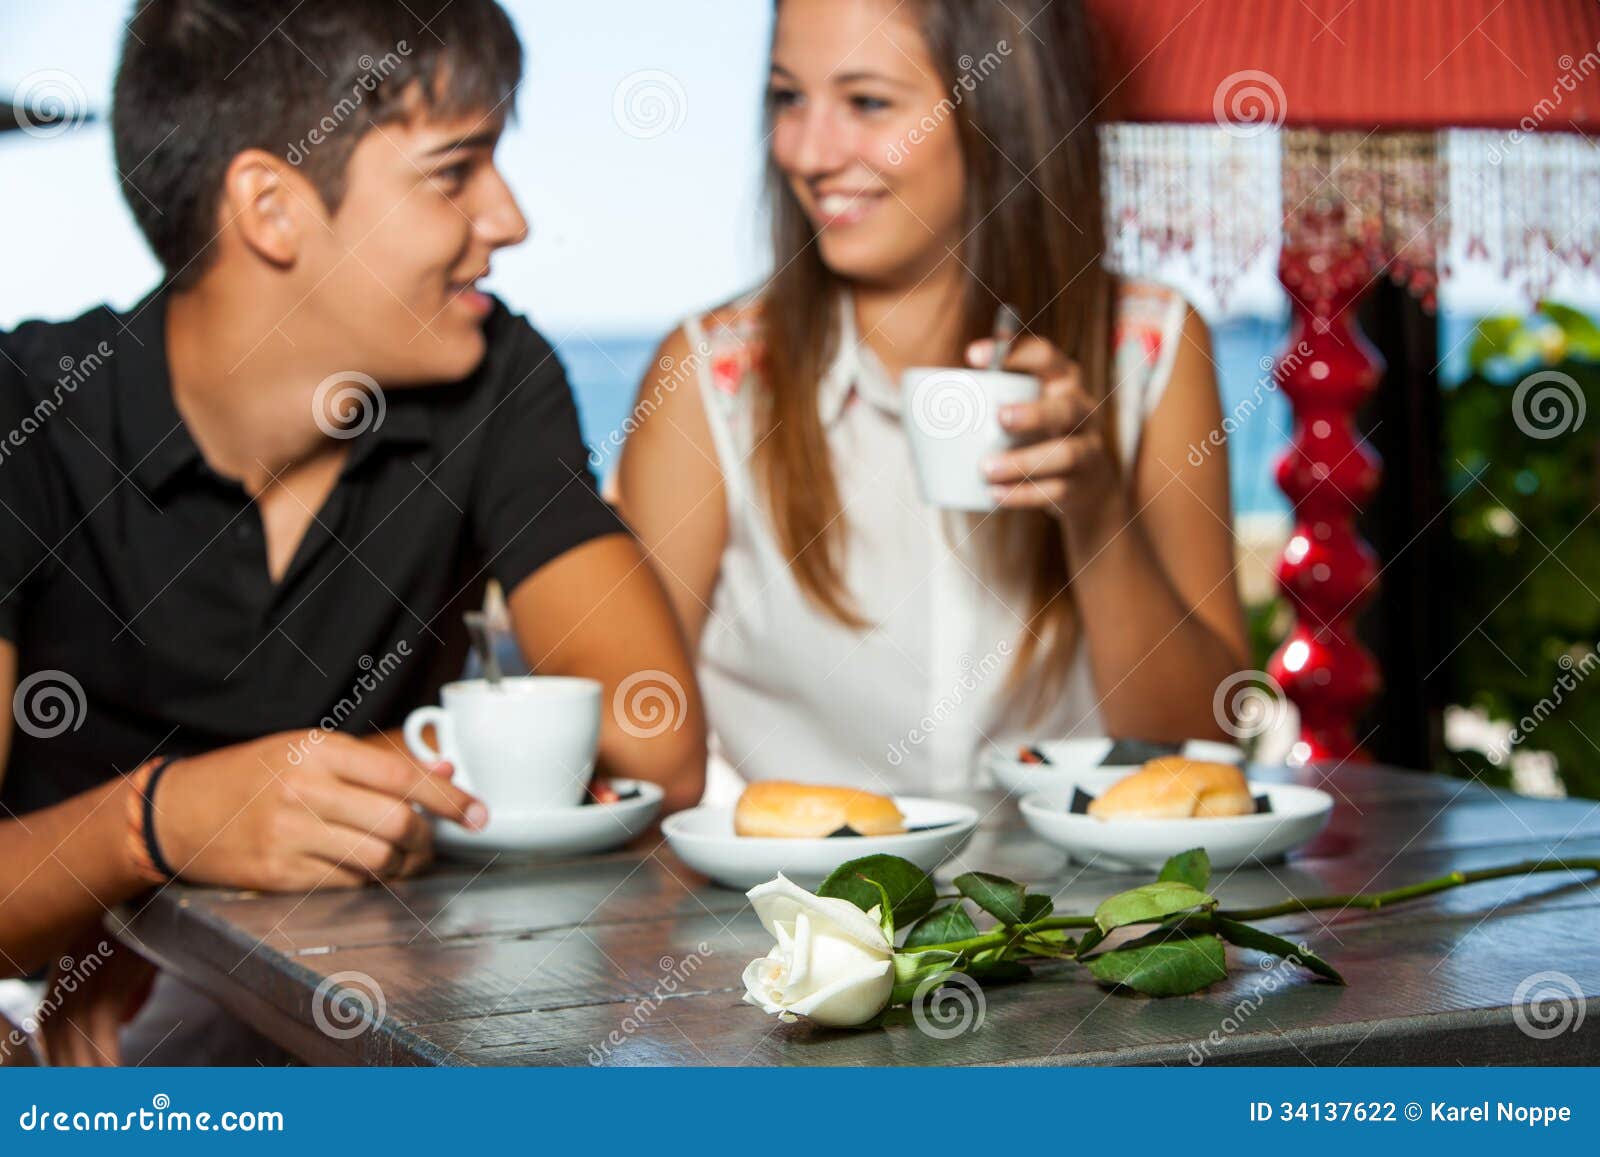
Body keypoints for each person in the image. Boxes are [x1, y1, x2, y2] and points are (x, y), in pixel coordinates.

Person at [0, 0, 704, 1062]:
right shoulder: (26, 414)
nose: (509, 218)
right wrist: (155, 827)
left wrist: (184, 872)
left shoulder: (494, 378)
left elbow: (655, 736)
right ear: (271, 207)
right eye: (453, 171)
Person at [615, 0, 1248, 798]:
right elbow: (631, 737)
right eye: (787, 98)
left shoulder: (1147, 345)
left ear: (1001, 109)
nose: (807, 152)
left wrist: (1096, 517)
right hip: (795, 913)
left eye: (868, 103)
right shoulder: (710, 377)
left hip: (1083, 920)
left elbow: (1207, 747)